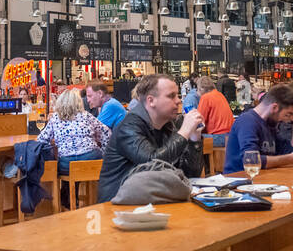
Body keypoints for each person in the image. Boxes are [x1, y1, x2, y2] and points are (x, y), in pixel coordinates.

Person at [99, 74, 203, 202]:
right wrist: (184, 132)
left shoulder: (167, 125)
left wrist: (194, 139)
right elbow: (152, 162)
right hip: (117, 206)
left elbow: (190, 174)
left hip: (151, 202)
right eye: (171, 96)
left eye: (177, 95)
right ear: (151, 101)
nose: (178, 101)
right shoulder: (129, 126)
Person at [223, 83, 293, 175]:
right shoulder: (247, 121)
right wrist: (289, 159)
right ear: (274, 107)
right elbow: (250, 160)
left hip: (263, 180)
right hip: (239, 181)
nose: (287, 119)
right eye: (287, 114)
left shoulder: (270, 123)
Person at [37, 88, 110, 177]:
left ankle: (68, 190)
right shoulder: (86, 115)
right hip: (91, 159)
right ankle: (91, 190)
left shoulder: (55, 118)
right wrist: (103, 152)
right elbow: (106, 132)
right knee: (94, 167)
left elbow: (41, 140)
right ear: (78, 103)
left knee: (62, 169)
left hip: (67, 164)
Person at [194, 75, 234, 147]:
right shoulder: (220, 95)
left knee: (190, 139)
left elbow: (200, 122)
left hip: (218, 137)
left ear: (201, 89)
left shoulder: (205, 97)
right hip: (230, 136)